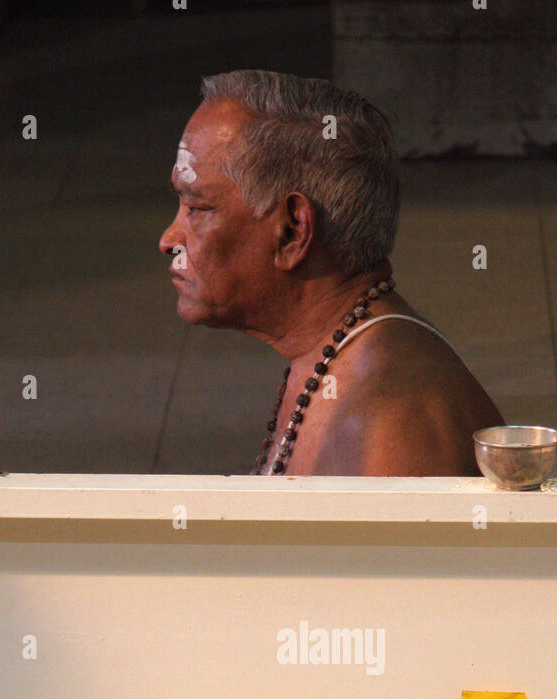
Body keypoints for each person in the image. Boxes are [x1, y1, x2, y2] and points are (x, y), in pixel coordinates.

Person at [159, 69, 503, 477]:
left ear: (292, 230)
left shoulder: (388, 422)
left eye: (197, 209)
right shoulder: (337, 360)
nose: (169, 239)